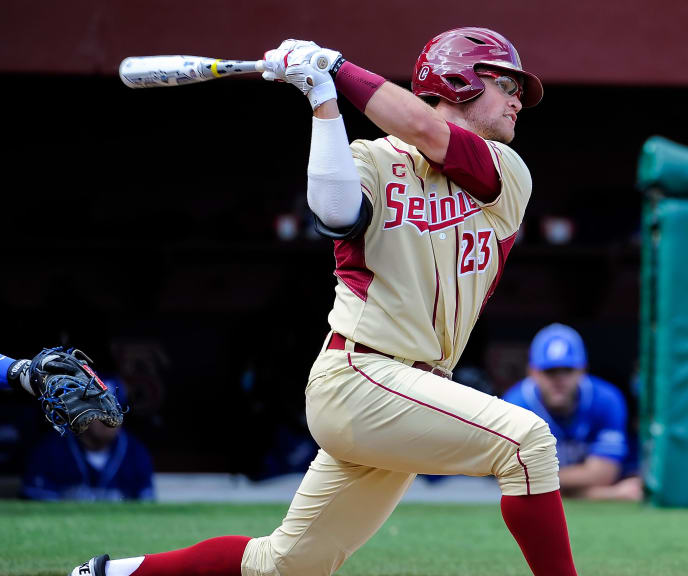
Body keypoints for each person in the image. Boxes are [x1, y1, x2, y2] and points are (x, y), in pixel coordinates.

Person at [69, 28, 578, 576]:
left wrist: (337, 67)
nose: (518, 100)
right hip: (360, 375)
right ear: (457, 81)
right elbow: (334, 212)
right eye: (505, 83)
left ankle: (104, 573)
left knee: (284, 565)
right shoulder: (370, 159)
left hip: (418, 391)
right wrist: (321, 98)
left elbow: (428, 129)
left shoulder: (507, 172)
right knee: (527, 442)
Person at [503, 324, 641, 501]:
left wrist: (541, 480)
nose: (559, 379)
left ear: (583, 370)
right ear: (533, 372)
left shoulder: (606, 399)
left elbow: (603, 474)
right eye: (550, 371)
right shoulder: (515, 406)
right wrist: (607, 494)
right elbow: (515, 480)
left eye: (567, 370)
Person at [21, 377, 154, 501]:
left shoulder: (135, 452)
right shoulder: (51, 450)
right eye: (100, 410)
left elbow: (147, 505)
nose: (109, 418)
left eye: (116, 410)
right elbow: (35, 502)